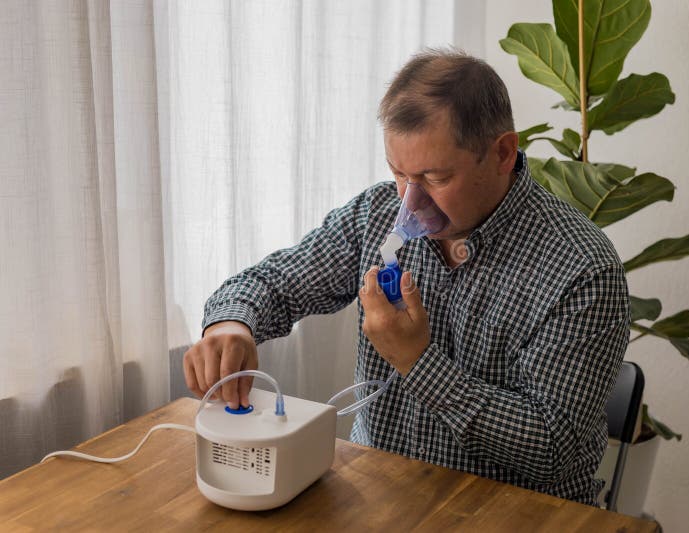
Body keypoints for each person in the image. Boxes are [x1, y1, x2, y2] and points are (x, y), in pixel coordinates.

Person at [183, 48, 630, 506]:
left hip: (515, 512)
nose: (410, 201)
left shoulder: (583, 269)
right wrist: (231, 325)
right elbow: (270, 282)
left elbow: (553, 449)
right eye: (399, 172)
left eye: (435, 177)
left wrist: (417, 362)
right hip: (382, 498)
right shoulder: (375, 213)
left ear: (502, 153)